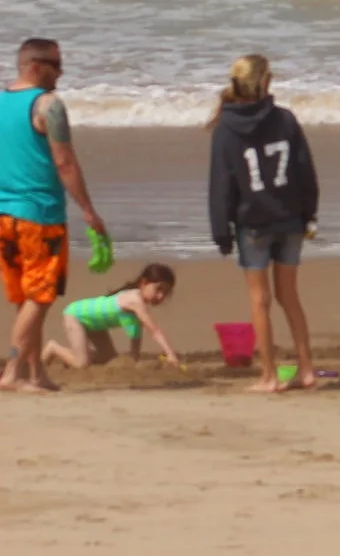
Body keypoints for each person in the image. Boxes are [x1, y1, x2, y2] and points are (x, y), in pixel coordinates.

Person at [0, 38, 111, 393]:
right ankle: (13, 371)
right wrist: (88, 210)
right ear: (35, 66)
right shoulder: (48, 105)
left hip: (4, 215)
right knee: (41, 297)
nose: (61, 73)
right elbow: (64, 162)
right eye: (55, 65)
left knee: (26, 299)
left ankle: (36, 374)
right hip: (39, 215)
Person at [208, 56, 320, 393]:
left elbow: (221, 185)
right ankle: (307, 370)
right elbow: (305, 171)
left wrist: (221, 232)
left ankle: (269, 376)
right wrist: (310, 213)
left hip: (253, 223)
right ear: (265, 82)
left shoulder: (226, 128)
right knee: (289, 296)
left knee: (260, 300)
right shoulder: (285, 119)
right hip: (290, 218)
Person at [45, 263, 180, 373]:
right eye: (158, 289)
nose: (161, 296)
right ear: (143, 283)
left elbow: (136, 336)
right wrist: (170, 354)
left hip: (95, 324)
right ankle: (53, 349)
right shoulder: (135, 301)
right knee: (82, 363)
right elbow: (154, 331)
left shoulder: (138, 306)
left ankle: (72, 356)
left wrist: (135, 360)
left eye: (165, 293)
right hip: (76, 315)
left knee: (107, 357)